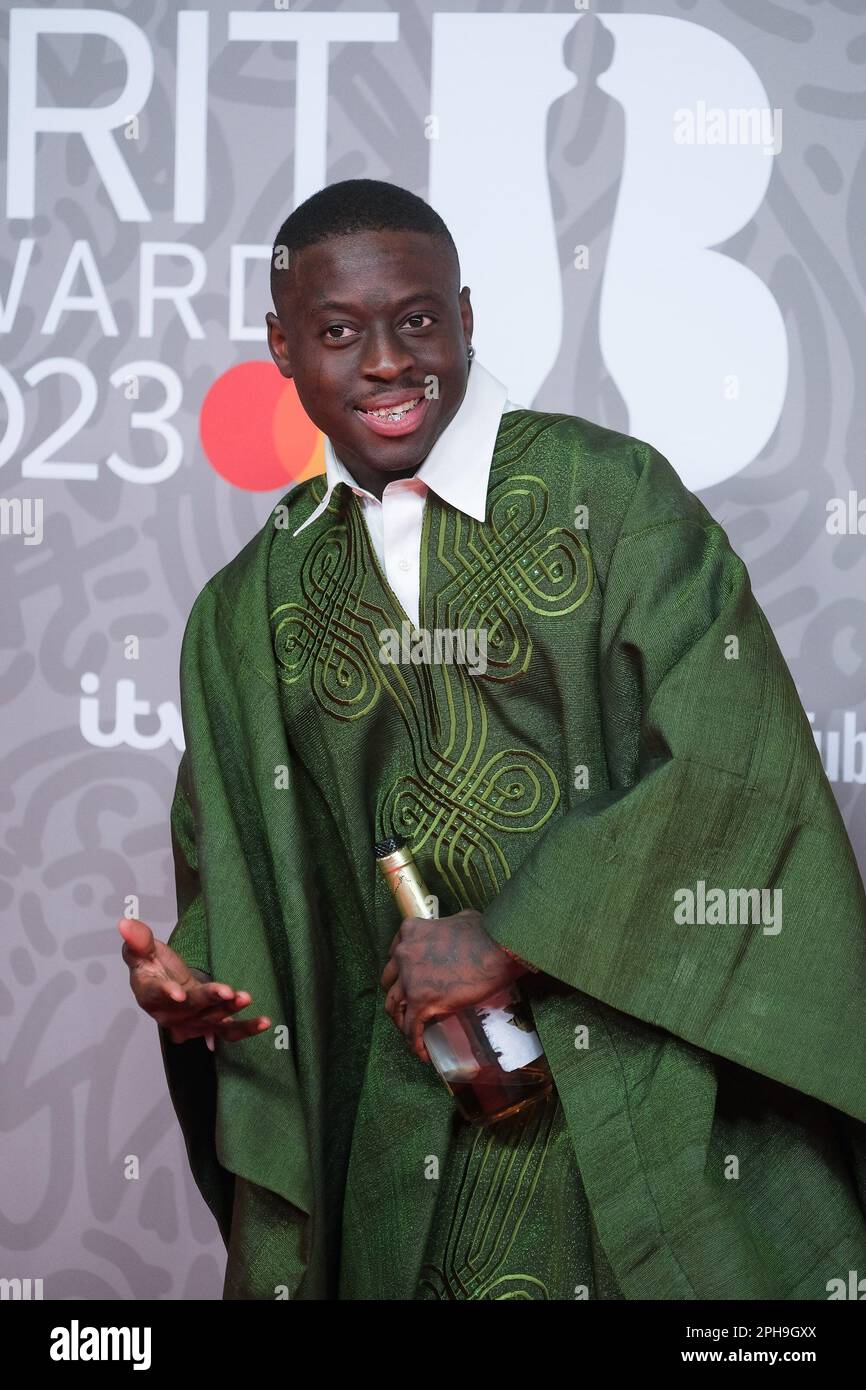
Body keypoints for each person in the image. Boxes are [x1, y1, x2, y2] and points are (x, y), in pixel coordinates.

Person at [120, 178, 866, 1301]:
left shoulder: (608, 501)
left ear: (464, 317)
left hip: (640, 1100)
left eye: (416, 320)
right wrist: (202, 990)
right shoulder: (247, 604)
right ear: (280, 347)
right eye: (336, 332)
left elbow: (732, 774)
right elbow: (250, 861)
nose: (384, 361)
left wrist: (510, 935)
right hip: (402, 1137)